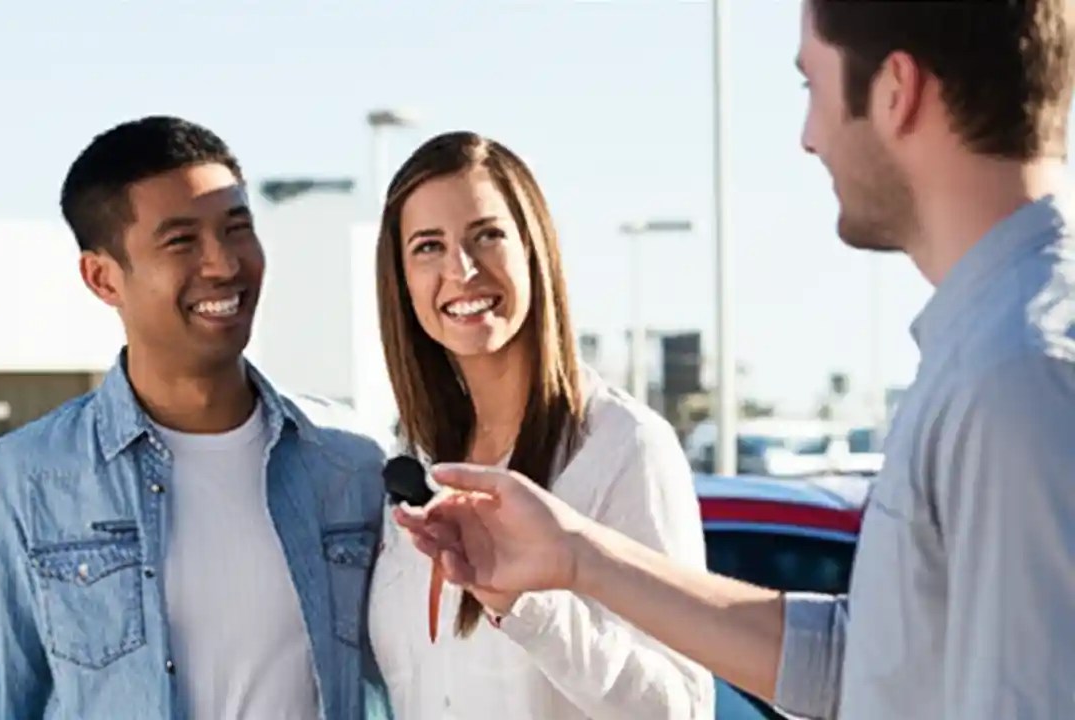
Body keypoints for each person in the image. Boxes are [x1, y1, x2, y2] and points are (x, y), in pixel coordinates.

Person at [395, 2, 1075, 719]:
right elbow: (859, 661)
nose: (809, 138)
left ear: (896, 92)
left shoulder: (1016, 376)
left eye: (811, 88)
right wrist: (575, 555)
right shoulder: (987, 355)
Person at [0, 116, 390, 720]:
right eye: (181, 241)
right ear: (103, 278)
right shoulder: (28, 479)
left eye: (238, 228)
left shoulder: (351, 460)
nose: (224, 264)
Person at [368, 130, 714, 719]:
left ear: (534, 250)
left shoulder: (624, 448)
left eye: (487, 236)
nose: (462, 268)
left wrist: (530, 606)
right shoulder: (412, 458)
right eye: (428, 246)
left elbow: (681, 707)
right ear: (401, 280)